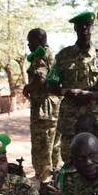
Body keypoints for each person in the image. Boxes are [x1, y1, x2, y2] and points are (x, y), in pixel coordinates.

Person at [50, 12, 98, 162]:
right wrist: (68, 92)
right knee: (69, 157)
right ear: (75, 28)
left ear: (92, 27)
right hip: (70, 117)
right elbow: (51, 85)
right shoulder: (63, 56)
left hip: (96, 116)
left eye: (87, 25)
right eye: (80, 26)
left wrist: (92, 96)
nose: (84, 29)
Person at [22, 27, 62, 179]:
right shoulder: (52, 54)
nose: (28, 45)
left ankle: (45, 182)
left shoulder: (40, 55)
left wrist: (28, 88)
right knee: (54, 147)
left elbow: (41, 78)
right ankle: (56, 180)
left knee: (42, 149)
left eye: (30, 41)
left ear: (39, 40)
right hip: (54, 108)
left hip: (44, 110)